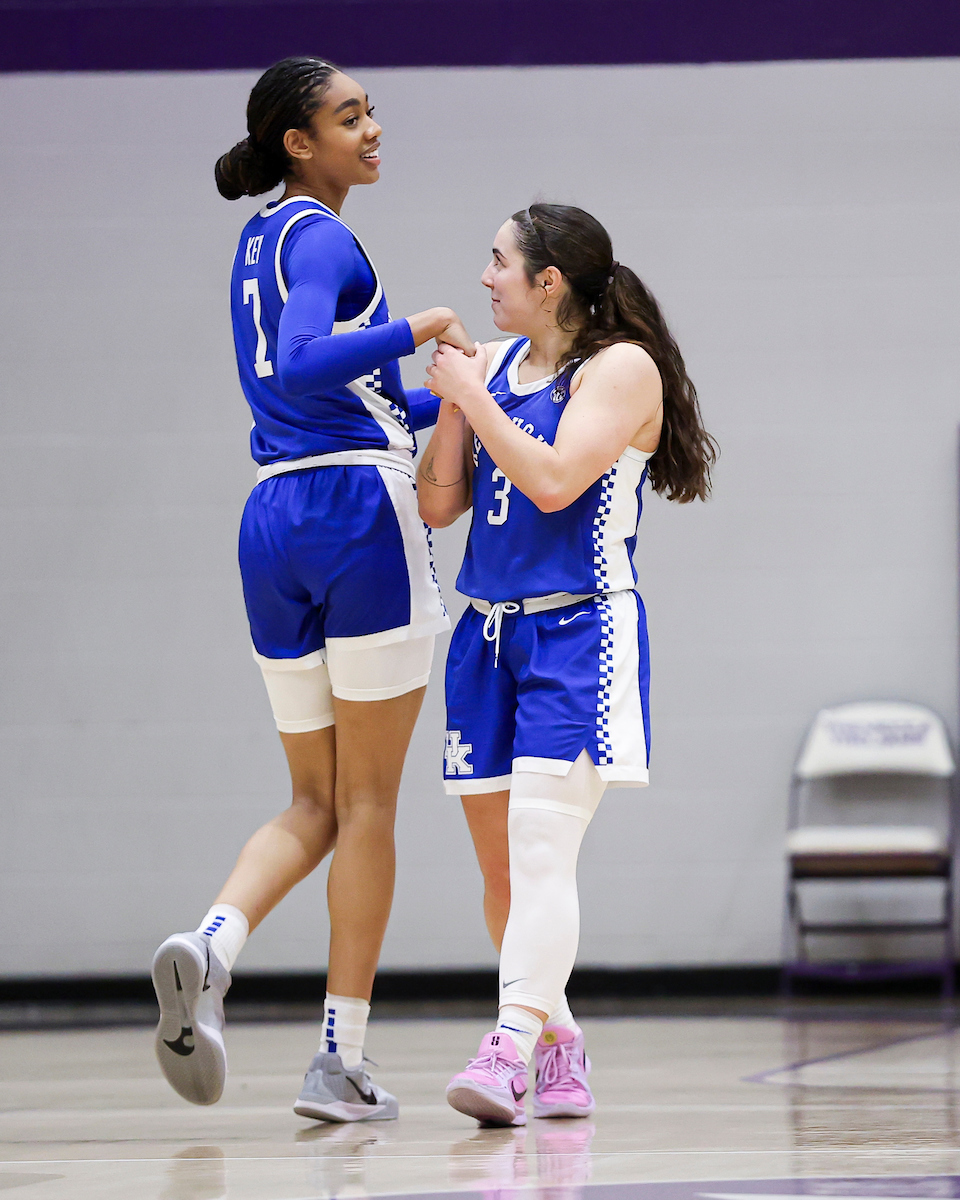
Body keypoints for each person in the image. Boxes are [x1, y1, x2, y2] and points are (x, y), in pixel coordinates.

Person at [151, 56, 474, 1123]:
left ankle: (212, 944)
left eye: (370, 110)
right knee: (372, 800)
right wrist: (423, 328)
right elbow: (303, 365)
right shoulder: (326, 235)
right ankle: (340, 1058)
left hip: (273, 519)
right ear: (299, 141)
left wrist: (463, 389)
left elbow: (341, 399)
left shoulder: (257, 241)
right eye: (349, 116)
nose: (373, 128)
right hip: (355, 519)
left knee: (315, 800)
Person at [418, 203, 717, 1126]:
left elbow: (554, 479)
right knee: (503, 877)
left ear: (550, 283)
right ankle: (561, 1044)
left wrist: (471, 398)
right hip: (486, 636)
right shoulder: (500, 367)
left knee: (543, 850)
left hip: (580, 632)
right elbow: (440, 507)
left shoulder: (620, 368)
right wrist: (452, 406)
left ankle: (506, 1046)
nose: (485, 277)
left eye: (499, 261)